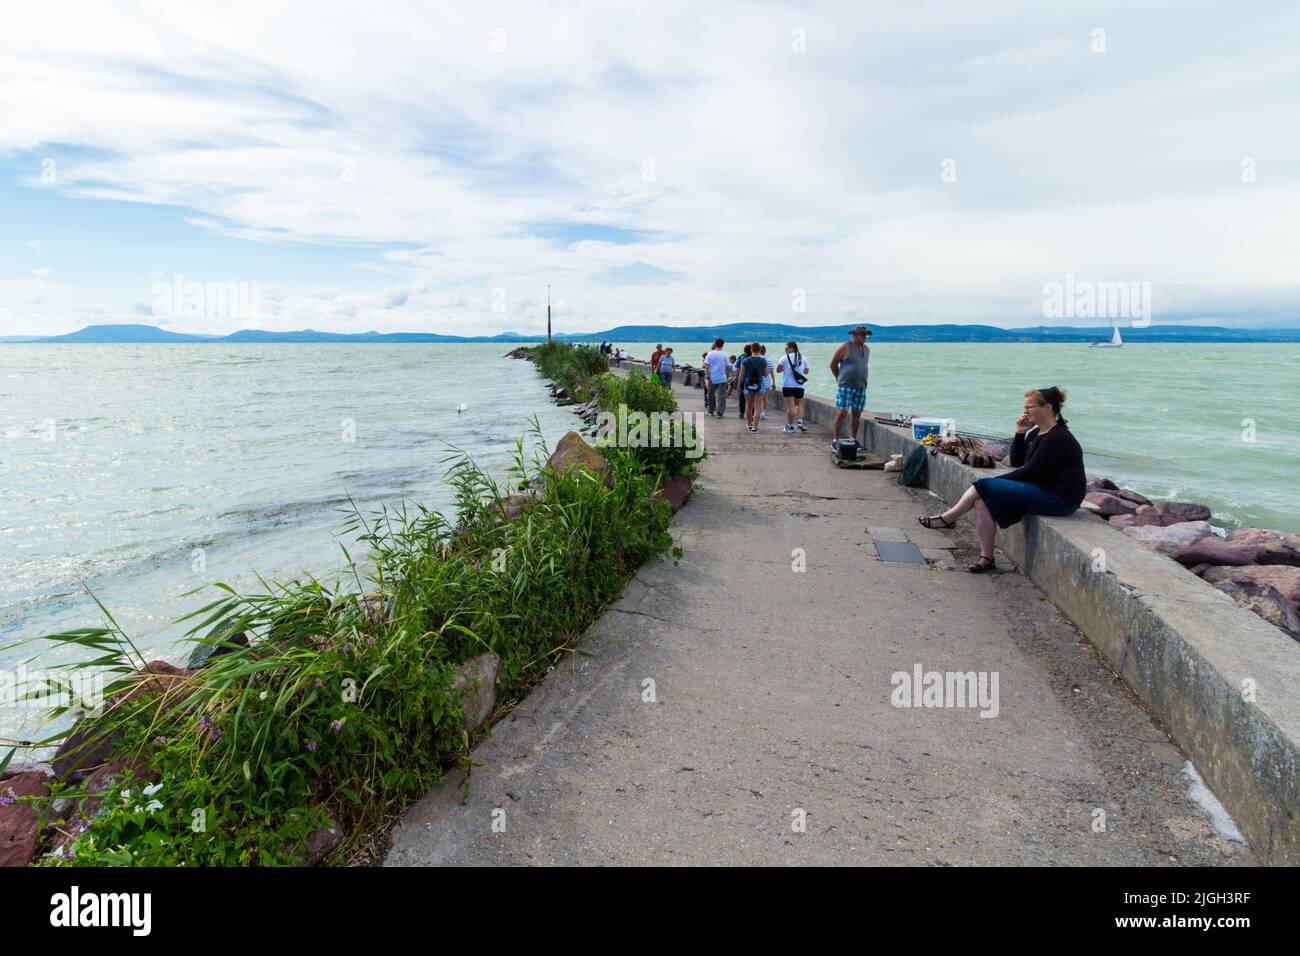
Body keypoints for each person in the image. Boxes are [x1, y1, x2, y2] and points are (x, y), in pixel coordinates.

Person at [918, 387, 1085, 574]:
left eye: (1030, 407)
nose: (1025, 411)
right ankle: (986, 558)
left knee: (984, 486)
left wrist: (995, 482)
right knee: (982, 501)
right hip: (1040, 489)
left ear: (1047, 407)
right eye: (1025, 407)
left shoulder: (1058, 437)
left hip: (1060, 499)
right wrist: (1020, 432)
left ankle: (949, 518)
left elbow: (1030, 472)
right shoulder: (1036, 433)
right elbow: (1017, 461)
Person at [829, 325, 871, 450]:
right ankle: (835, 440)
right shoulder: (845, 347)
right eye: (862, 334)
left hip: (861, 385)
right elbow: (832, 364)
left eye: (865, 335)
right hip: (846, 385)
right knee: (842, 412)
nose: (864, 337)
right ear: (854, 335)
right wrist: (838, 378)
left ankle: (852, 439)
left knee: (857, 413)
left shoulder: (867, 349)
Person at [776, 341, 810, 433]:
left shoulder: (784, 358)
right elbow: (806, 371)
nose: (785, 350)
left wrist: (784, 368)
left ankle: (790, 426)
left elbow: (778, 370)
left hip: (788, 385)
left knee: (790, 406)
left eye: (787, 348)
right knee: (799, 404)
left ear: (792, 348)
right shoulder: (803, 358)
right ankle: (800, 422)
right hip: (800, 385)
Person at [739, 342, 768, 433]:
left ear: (751, 350)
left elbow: (741, 375)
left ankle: (749, 424)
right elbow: (766, 374)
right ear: (760, 350)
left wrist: (739, 386)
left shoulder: (746, 360)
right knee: (758, 407)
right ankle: (755, 427)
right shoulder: (763, 361)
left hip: (748, 385)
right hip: (760, 385)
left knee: (749, 406)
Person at [704, 338, 730, 417]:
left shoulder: (710, 354)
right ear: (723, 345)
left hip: (712, 377)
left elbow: (706, 366)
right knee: (721, 396)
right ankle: (720, 412)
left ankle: (711, 411)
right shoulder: (725, 354)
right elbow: (727, 367)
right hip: (722, 378)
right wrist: (727, 377)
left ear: (715, 344)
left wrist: (708, 376)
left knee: (711, 394)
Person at [733, 345, 752, 419]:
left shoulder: (741, 357)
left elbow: (737, 369)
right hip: (752, 380)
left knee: (741, 397)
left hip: (742, 380)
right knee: (752, 397)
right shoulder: (755, 358)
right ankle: (752, 413)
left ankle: (741, 413)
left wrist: (735, 378)